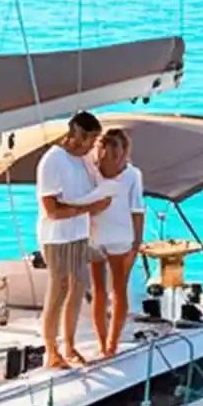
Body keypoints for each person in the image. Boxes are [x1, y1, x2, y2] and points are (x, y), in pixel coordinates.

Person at [36, 111, 111, 368]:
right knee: (59, 289)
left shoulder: (84, 161)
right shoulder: (53, 161)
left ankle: (69, 345)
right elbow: (52, 210)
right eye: (89, 140)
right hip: (57, 238)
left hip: (79, 234)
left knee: (78, 288)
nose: (91, 145)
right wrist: (88, 208)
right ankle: (51, 349)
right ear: (76, 136)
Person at [85, 127, 145, 357]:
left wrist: (136, 243)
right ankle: (104, 344)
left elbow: (137, 210)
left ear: (124, 150)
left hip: (120, 238)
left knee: (117, 290)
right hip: (96, 236)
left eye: (114, 146)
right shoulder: (91, 170)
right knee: (101, 290)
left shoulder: (131, 175)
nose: (109, 150)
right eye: (105, 145)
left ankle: (111, 343)